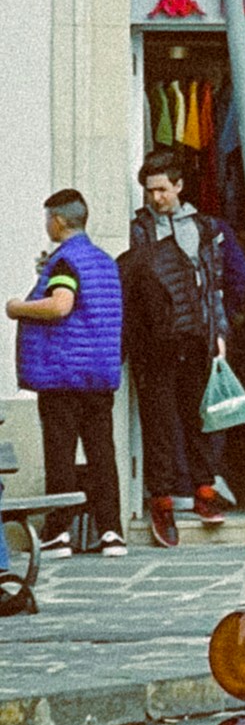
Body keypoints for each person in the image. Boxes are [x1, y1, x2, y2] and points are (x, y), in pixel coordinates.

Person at [120, 153, 238, 547]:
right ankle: (162, 501)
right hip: (154, 342)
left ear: (179, 187)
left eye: (162, 190)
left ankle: (204, 492)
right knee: (159, 426)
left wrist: (219, 331)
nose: (156, 198)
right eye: (150, 191)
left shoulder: (204, 228)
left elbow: (217, 282)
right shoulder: (138, 230)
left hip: (196, 337)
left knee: (200, 420)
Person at [6, 189, 125, 555]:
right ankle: (111, 531)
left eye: (48, 219)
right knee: (102, 452)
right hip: (98, 375)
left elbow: (60, 306)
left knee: (60, 452)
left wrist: (18, 307)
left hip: (63, 374)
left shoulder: (65, 262)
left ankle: (58, 531)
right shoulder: (104, 261)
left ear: (58, 221)